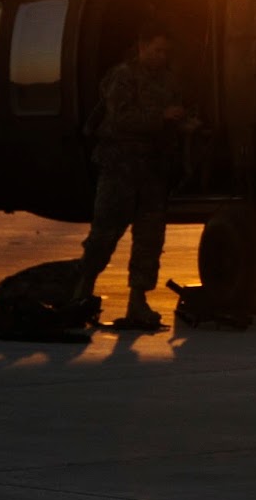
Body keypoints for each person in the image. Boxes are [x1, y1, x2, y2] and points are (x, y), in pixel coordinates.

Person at [73, 19, 186, 328]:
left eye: (166, 51)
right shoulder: (122, 77)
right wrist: (160, 116)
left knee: (149, 239)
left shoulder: (168, 80)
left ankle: (138, 302)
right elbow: (120, 119)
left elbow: (173, 115)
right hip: (120, 168)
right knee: (105, 233)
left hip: (153, 170)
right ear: (142, 46)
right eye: (157, 49)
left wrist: (184, 124)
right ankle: (80, 293)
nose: (162, 56)